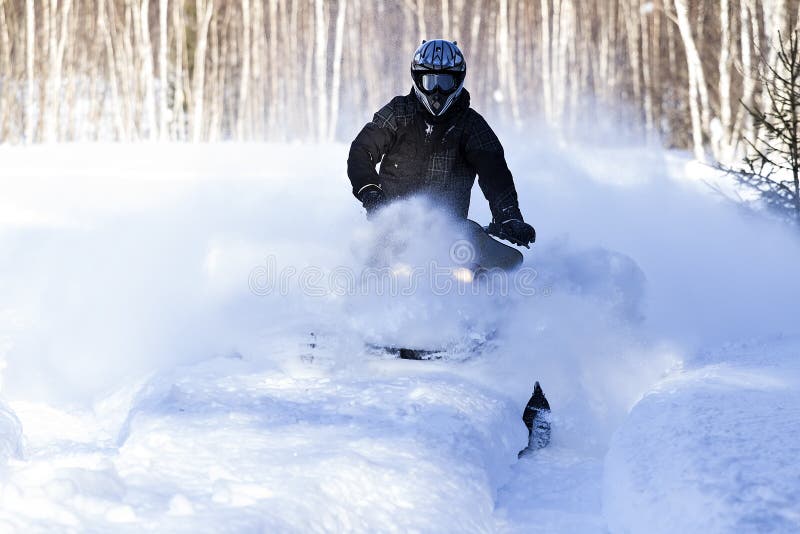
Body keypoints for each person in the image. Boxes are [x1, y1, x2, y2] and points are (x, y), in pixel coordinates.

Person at [347, 39, 535, 271]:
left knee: (508, 264)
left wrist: (509, 217)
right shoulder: (397, 113)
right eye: (430, 81)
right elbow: (361, 150)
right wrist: (370, 192)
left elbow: (496, 175)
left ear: (458, 81)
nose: (437, 91)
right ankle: (358, 303)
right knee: (369, 275)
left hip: (449, 234)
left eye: (445, 82)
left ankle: (491, 298)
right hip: (391, 229)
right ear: (418, 80)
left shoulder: (472, 126)